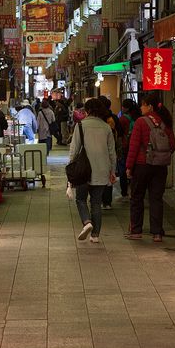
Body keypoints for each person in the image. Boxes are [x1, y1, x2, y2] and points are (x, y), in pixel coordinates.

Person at [125, 93, 175, 242]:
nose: (140, 107)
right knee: (156, 198)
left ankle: (136, 231)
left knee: (137, 197)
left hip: (142, 165)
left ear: (150, 106)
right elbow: (173, 145)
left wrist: (129, 166)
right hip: (160, 167)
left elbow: (133, 147)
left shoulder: (141, 122)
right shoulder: (165, 122)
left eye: (143, 104)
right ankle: (157, 233)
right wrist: (161, 155)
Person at [69, 98, 116, 243]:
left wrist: (70, 168)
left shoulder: (81, 125)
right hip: (102, 170)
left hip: (83, 170)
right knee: (96, 203)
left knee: (81, 199)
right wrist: (112, 171)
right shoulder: (106, 127)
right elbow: (112, 153)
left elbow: (74, 150)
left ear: (87, 111)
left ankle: (86, 221)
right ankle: (95, 235)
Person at [98, 96, 124, 209]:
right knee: (109, 175)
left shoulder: (97, 118)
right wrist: (119, 151)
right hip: (110, 150)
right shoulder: (113, 118)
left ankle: (98, 199)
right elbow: (120, 135)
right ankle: (107, 202)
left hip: (97, 150)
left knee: (97, 175)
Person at [118, 99, 139, 198]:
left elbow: (119, 133)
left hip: (125, 146)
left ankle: (124, 192)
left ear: (126, 108)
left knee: (123, 170)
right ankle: (134, 190)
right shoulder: (137, 118)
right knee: (134, 169)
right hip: (136, 146)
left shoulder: (123, 119)